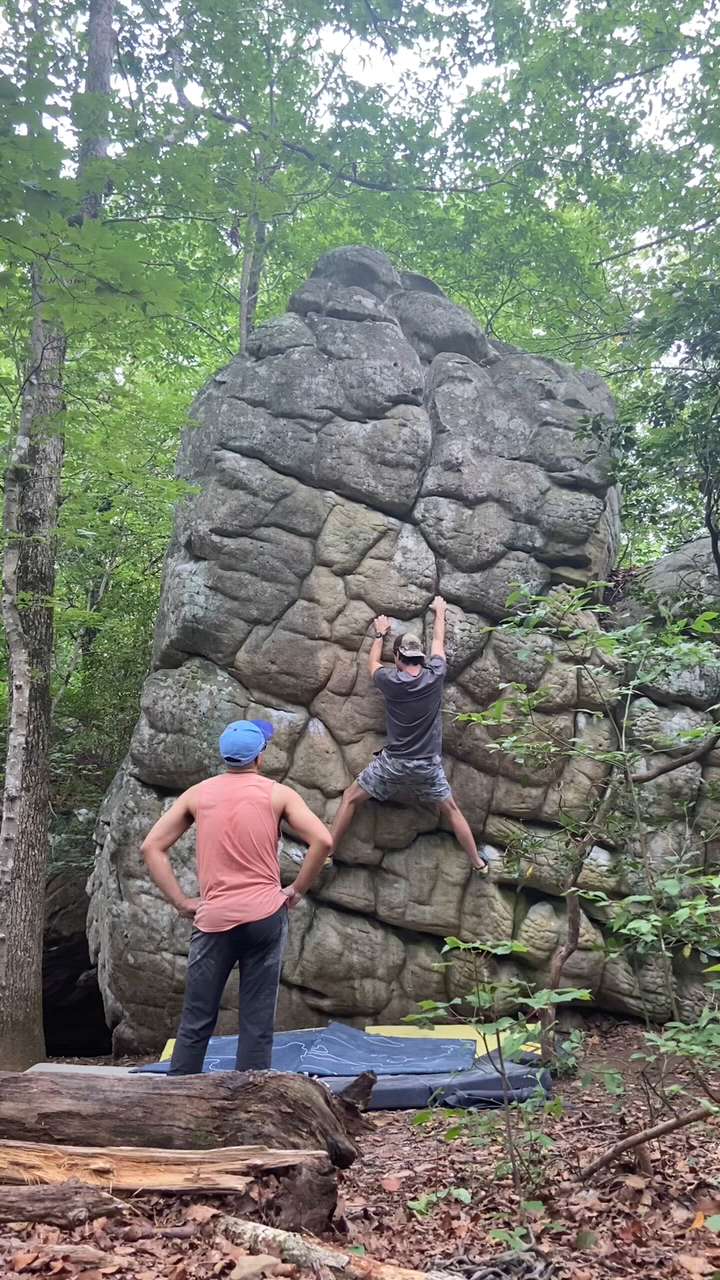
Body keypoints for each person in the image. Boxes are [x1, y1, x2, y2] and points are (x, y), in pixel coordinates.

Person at [141, 718, 332, 1075]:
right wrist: (295, 890)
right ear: (260, 756)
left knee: (197, 1018)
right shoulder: (278, 794)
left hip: (214, 921)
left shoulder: (197, 794)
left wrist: (181, 901)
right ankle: (251, 1104)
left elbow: (152, 847)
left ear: (225, 757)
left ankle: (179, 1102)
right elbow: (323, 840)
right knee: (257, 1021)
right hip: (265, 917)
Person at [330, 596, 490, 874]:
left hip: (393, 764)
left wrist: (379, 634)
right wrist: (440, 611)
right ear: (421, 657)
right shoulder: (435, 674)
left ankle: (326, 853)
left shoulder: (390, 681)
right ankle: (478, 864)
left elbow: (373, 665)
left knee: (350, 799)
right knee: (451, 810)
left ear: (399, 658)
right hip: (427, 766)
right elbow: (439, 644)